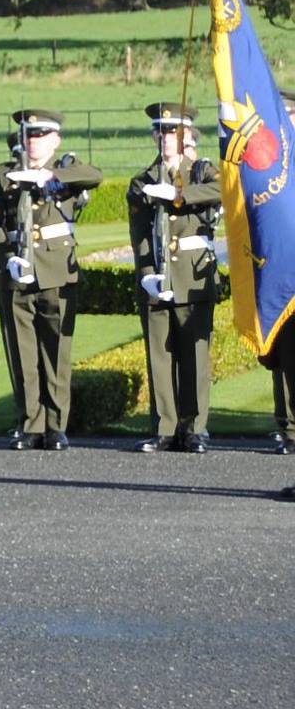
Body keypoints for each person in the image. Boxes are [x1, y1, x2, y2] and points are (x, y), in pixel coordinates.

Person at [0, 109, 103, 450]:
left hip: (55, 271)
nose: (33, 141)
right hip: (18, 273)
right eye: (29, 135)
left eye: (40, 135)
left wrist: (51, 175)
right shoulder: (4, 173)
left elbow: (94, 176)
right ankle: (30, 424)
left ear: (55, 139)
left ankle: (56, 426)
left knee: (56, 353)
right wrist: (6, 261)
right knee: (22, 355)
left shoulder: (67, 169)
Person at [128, 102, 220, 454]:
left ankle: (195, 428)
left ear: (187, 136)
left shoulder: (199, 172)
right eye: (161, 132)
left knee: (195, 354)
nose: (166, 138)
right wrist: (147, 274)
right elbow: (138, 232)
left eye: (173, 132)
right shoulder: (143, 180)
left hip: (192, 272)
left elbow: (225, 188)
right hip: (159, 276)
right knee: (159, 354)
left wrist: (180, 196)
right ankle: (164, 427)